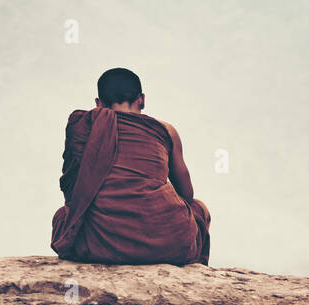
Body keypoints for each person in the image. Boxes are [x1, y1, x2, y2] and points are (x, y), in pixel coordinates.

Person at [51, 68, 210, 265]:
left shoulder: (85, 126)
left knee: (63, 217)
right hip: (167, 243)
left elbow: (74, 194)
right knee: (199, 209)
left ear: (98, 104)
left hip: (99, 242)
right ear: (141, 99)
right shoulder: (166, 131)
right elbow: (187, 194)